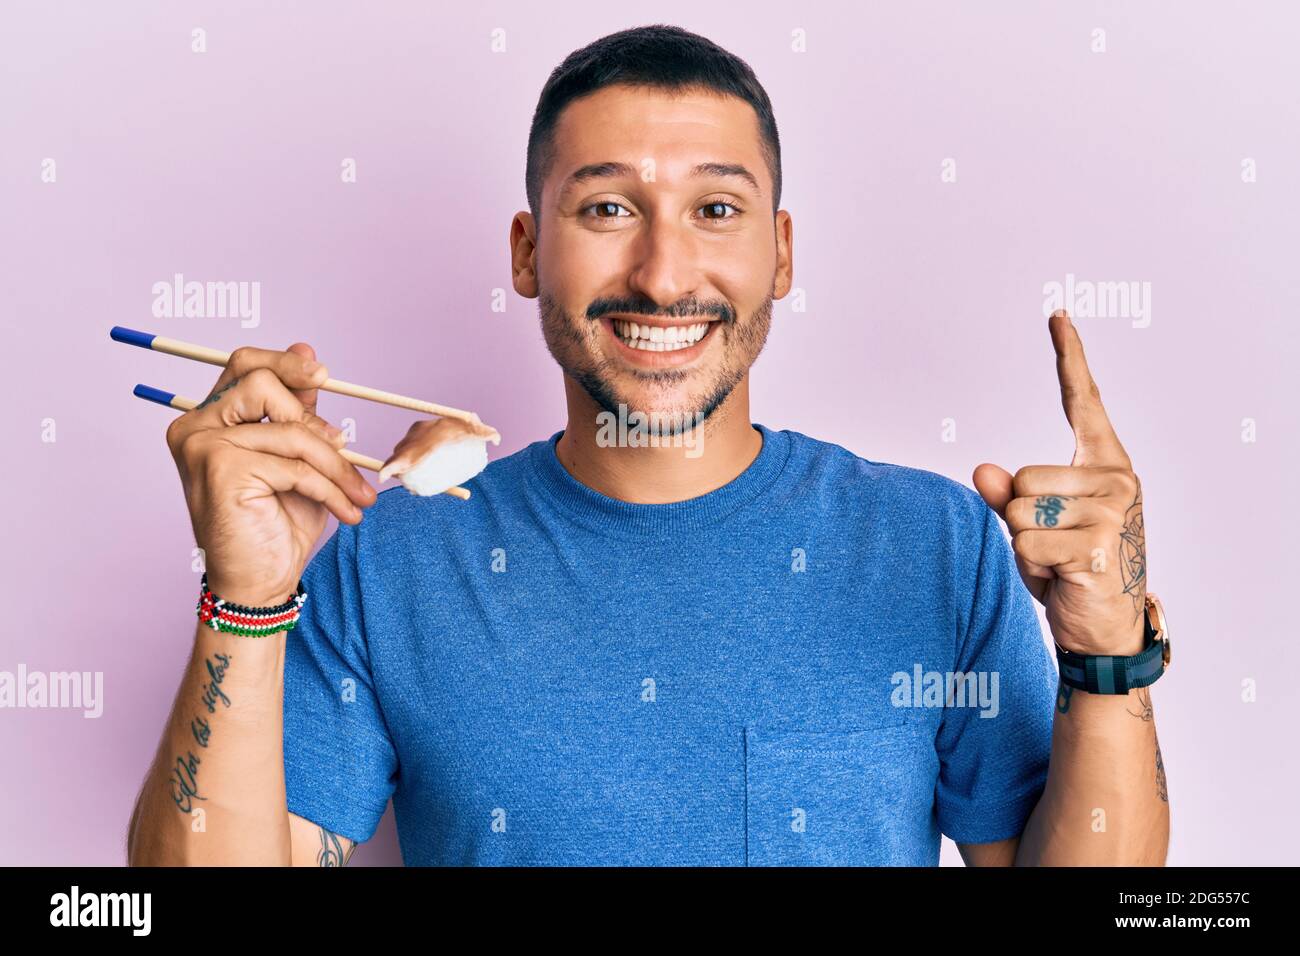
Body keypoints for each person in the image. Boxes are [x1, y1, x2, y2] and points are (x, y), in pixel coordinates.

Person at [127, 24, 1169, 866]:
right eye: (608, 206)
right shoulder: (393, 553)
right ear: (528, 251)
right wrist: (247, 594)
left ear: (783, 251)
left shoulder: (932, 542)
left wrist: (1107, 648)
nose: (664, 273)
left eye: (716, 208)